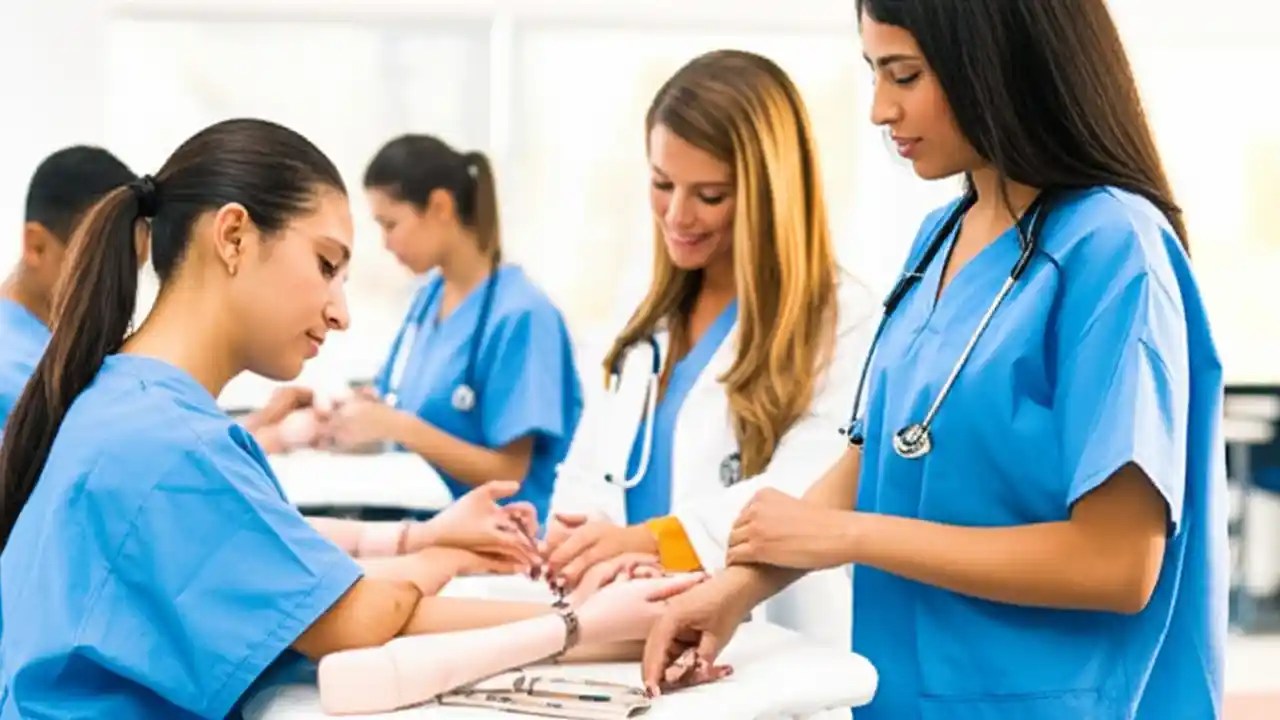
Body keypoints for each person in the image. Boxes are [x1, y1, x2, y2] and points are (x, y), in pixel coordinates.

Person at [0, 118, 699, 719]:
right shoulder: (166, 439)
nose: (341, 311)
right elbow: (353, 618)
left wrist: (428, 549)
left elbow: (280, 563)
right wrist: (581, 624)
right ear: (234, 237)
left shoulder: (132, 400)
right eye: (327, 264)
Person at [642, 2, 1227, 718]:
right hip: (904, 695)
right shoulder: (938, 240)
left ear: (997, 63)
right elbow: (881, 456)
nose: (880, 110)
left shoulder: (1114, 249)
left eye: (905, 75)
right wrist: (736, 589)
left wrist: (849, 538)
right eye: (874, 74)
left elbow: (1117, 563)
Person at [542, 49, 878, 647]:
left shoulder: (841, 319)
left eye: (710, 195)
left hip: (769, 646)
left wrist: (650, 542)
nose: (677, 215)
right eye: (662, 183)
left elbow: (806, 487)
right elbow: (588, 477)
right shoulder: (646, 319)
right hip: (625, 629)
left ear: (770, 193)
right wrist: (594, 552)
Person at [299, 134, 582, 527]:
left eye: (391, 224)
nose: (385, 243)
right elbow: (400, 404)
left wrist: (397, 426)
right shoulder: (427, 299)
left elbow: (510, 473)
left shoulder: (523, 315)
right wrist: (361, 417)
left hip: (512, 546)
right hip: (435, 528)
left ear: (440, 206)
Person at [0, 145, 137, 428]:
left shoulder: (59, 358)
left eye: (134, 271)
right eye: (103, 270)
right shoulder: (23, 380)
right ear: (37, 246)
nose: (123, 292)